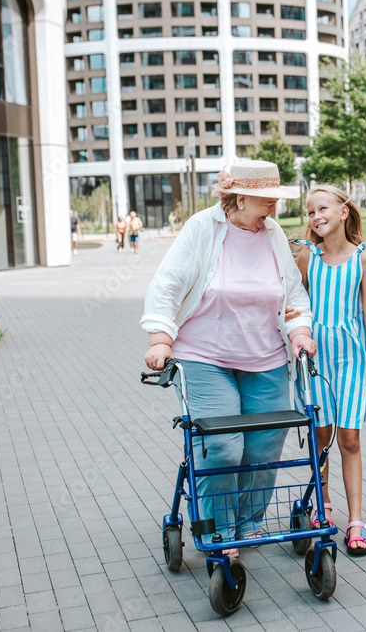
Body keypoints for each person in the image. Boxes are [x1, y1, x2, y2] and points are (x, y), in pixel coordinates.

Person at [142, 160, 317, 554]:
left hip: (266, 356)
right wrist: (159, 338)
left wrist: (301, 332)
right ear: (240, 198)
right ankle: (220, 529)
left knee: (266, 441)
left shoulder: (271, 234)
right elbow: (167, 285)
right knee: (221, 445)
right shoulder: (202, 228)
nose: (273, 211)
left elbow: (293, 296)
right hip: (205, 357)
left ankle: (249, 520)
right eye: (267, 202)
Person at [294, 184, 366, 557]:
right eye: (310, 212)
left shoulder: (364, 259)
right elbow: (295, 306)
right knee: (322, 438)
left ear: (343, 212)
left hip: (352, 360)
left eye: (323, 208)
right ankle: (323, 507)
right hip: (316, 361)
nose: (316, 217)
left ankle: (356, 520)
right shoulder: (306, 258)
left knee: (349, 439)